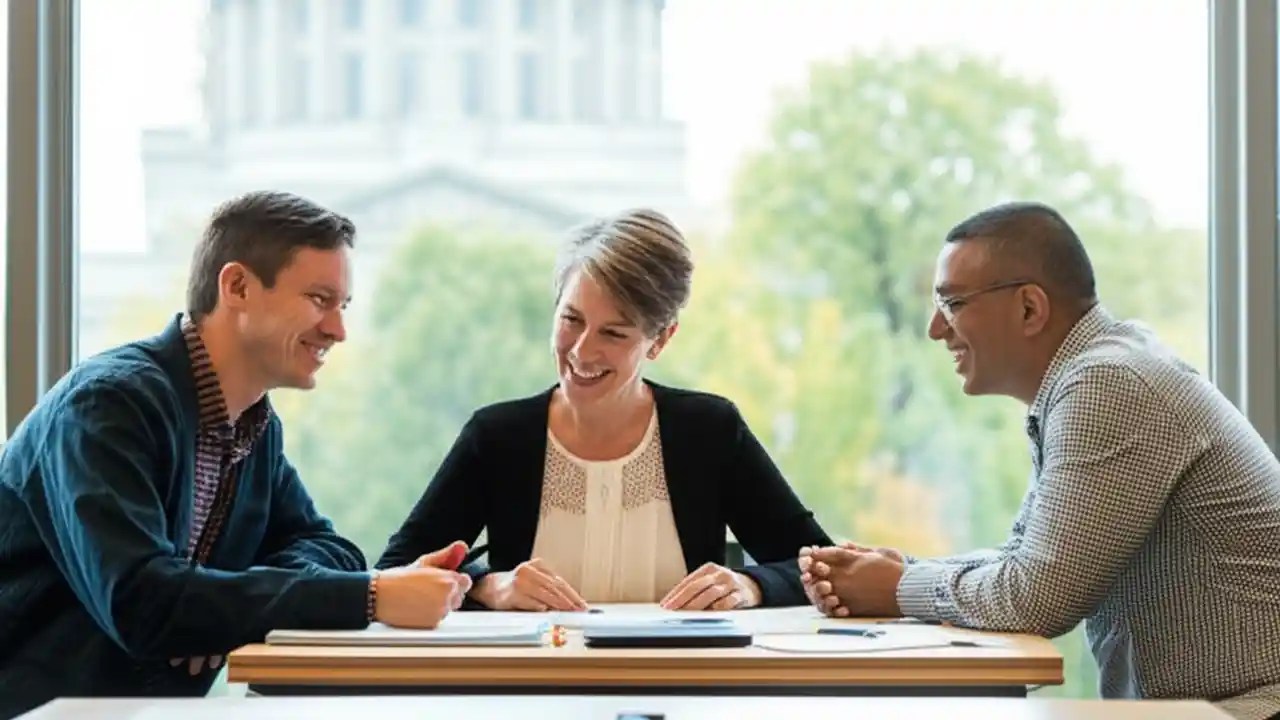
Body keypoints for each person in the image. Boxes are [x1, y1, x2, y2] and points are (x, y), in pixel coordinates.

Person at [800, 201, 1280, 719]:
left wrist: (896, 588)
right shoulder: (1094, 374)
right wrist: (902, 570)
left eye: (953, 303)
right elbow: (1024, 560)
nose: (935, 330)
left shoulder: (1107, 384)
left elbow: (1034, 599)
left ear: (1030, 308)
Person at [0, 191, 471, 718]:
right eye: (320, 299)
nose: (338, 330)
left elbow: (330, 547)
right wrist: (368, 598)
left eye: (343, 306)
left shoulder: (254, 427)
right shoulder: (108, 406)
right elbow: (143, 602)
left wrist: (217, 607)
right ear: (238, 287)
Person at [378, 208, 831, 611]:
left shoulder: (709, 432)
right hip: (531, 695)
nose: (581, 350)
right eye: (571, 320)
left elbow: (820, 567)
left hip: (677, 694)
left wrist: (750, 585)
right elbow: (395, 572)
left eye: (613, 334)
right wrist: (489, 586)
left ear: (661, 339)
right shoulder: (496, 437)